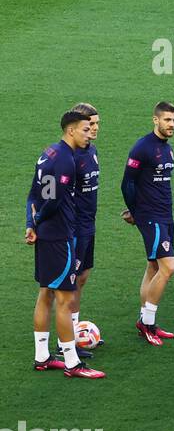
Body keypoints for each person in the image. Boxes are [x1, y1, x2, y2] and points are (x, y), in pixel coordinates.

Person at [27, 108, 104, 379]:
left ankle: (42, 357)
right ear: (71, 130)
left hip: (49, 235)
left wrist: (31, 223)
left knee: (45, 293)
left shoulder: (48, 153)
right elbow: (53, 200)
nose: (90, 133)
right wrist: (38, 222)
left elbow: (33, 195)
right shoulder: (65, 161)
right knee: (65, 298)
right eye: (85, 129)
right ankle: (72, 363)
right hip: (59, 236)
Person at [122, 101, 174, 346]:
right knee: (169, 267)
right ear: (155, 120)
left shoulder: (167, 148)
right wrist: (136, 212)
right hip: (151, 216)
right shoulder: (143, 148)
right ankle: (147, 323)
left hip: (165, 214)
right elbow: (127, 183)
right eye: (167, 120)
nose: (172, 125)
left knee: (154, 267)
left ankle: (146, 321)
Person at [70, 103, 100, 354]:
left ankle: (73, 329)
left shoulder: (92, 151)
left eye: (97, 124)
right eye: (91, 125)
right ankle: (65, 341)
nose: (95, 129)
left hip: (89, 225)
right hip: (74, 228)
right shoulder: (70, 157)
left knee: (82, 277)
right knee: (70, 282)